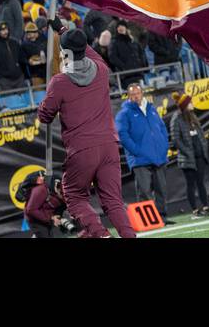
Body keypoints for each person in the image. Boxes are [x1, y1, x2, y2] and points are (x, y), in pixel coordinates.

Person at [35, 24, 136, 238]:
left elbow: (45, 116)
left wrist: (48, 97)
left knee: (74, 195)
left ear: (65, 53)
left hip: (81, 150)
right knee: (113, 201)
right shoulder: (101, 69)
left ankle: (101, 235)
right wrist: (63, 29)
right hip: (109, 145)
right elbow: (87, 49)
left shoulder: (59, 82)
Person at [115, 82, 171, 223]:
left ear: (142, 94)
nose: (136, 97)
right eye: (132, 94)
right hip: (139, 159)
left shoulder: (151, 109)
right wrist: (137, 151)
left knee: (162, 189)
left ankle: (162, 216)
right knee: (144, 191)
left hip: (159, 156)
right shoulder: (124, 114)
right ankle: (149, 220)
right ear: (128, 96)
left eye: (138, 93)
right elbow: (123, 136)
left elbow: (162, 128)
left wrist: (164, 146)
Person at [169, 93, 209, 217]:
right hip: (187, 158)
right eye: (190, 102)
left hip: (199, 156)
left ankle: (206, 206)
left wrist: (204, 148)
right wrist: (188, 152)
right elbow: (176, 139)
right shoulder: (176, 118)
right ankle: (194, 209)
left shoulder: (193, 117)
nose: (192, 104)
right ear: (185, 105)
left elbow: (201, 135)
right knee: (191, 184)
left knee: (200, 182)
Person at [23, 173, 78, 238]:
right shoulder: (41, 190)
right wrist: (50, 218)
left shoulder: (66, 193)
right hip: (35, 219)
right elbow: (31, 210)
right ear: (58, 188)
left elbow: (61, 208)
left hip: (47, 218)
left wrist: (60, 219)